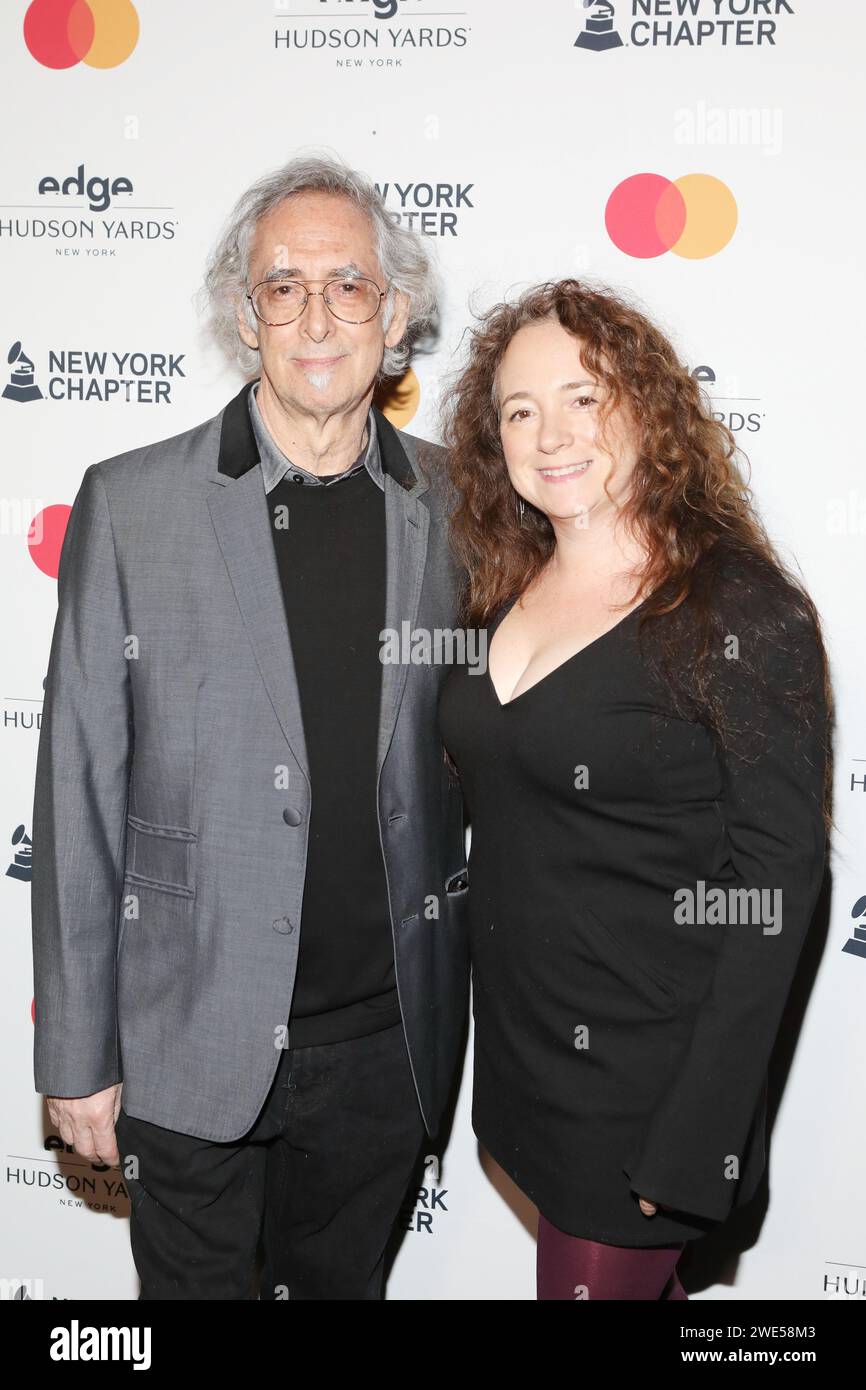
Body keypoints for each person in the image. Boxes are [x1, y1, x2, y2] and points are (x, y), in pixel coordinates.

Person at [30, 152, 470, 1300]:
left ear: (397, 313)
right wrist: (77, 1051)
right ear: (244, 314)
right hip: (189, 1036)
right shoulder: (133, 505)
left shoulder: (463, 507)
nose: (315, 315)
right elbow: (75, 791)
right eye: (282, 286)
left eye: (348, 285)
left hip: (384, 1048)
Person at [437, 278, 831, 1300]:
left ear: (645, 408)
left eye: (583, 397)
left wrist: (698, 1136)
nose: (549, 433)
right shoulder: (496, 593)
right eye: (518, 410)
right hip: (525, 1074)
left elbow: (777, 887)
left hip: (648, 1098)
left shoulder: (735, 609)